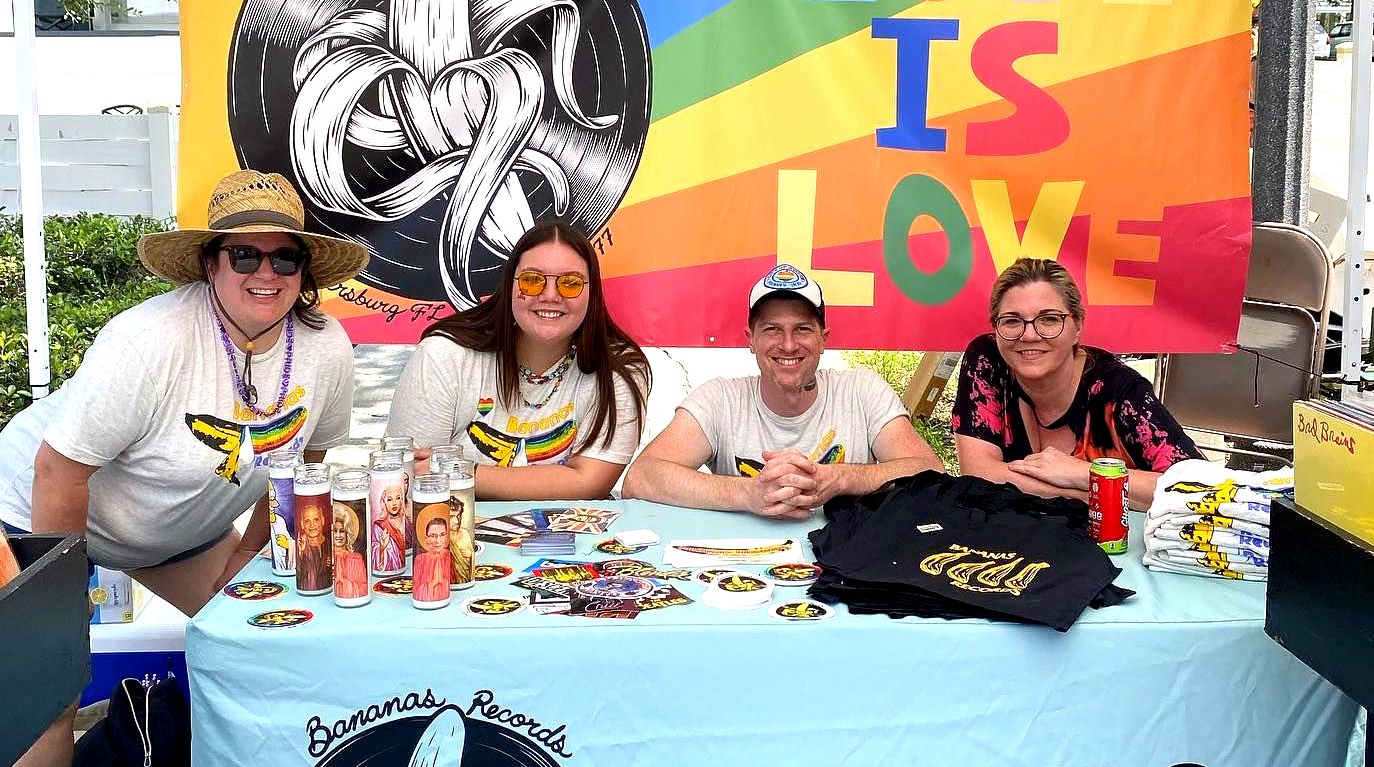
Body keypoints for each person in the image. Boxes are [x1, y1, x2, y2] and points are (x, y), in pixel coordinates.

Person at [0, 168, 366, 767]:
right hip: (38, 508)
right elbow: (61, 470)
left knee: (274, 639)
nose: (265, 274)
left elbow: (312, 462)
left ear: (306, 273)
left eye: (284, 259)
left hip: (170, 535)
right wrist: (65, 596)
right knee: (49, 684)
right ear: (211, 265)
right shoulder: (150, 339)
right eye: (244, 257)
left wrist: (247, 561)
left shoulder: (327, 349)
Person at [622, 265, 941, 516]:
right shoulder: (720, 399)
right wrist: (748, 494)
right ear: (751, 339)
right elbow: (641, 479)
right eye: (772, 329)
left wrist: (839, 479)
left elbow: (931, 470)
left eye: (802, 329)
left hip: (847, 562)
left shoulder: (862, 390)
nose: (788, 345)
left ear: (823, 338)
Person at [387, 221, 650, 499]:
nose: (550, 296)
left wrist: (460, 471)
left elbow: (590, 483)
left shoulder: (620, 370)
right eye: (532, 280)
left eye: (570, 283)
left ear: (591, 293)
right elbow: (409, 476)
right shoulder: (443, 356)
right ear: (510, 286)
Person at [951, 257, 1199, 510]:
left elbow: (1199, 489)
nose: (1029, 335)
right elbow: (978, 475)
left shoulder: (1119, 391)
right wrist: (1090, 493)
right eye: (1012, 321)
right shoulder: (987, 360)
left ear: (1077, 326)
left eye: (1049, 319)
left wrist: (1082, 474)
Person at [370, 478, 413, 573]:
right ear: (384, 502)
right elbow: (374, 553)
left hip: (405, 570)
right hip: (389, 572)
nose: (394, 503)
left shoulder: (405, 521)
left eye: (398, 498)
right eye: (389, 499)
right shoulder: (379, 527)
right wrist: (382, 547)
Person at [412, 512, 453, 603]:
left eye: (442, 535)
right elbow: (417, 588)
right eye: (433, 536)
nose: (438, 541)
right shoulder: (420, 559)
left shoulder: (448, 555)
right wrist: (430, 585)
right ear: (426, 538)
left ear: (446, 536)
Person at [332, 503, 368, 600]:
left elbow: (363, 587)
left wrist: (343, 582)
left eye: (342, 531)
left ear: (348, 533)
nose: (338, 535)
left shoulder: (355, 559)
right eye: (335, 531)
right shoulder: (325, 557)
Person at [294, 499, 331, 592]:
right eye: (307, 521)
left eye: (316, 520)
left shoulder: (330, 542)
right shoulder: (300, 548)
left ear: (322, 520)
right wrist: (301, 553)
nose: (312, 525)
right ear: (302, 524)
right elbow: (300, 575)